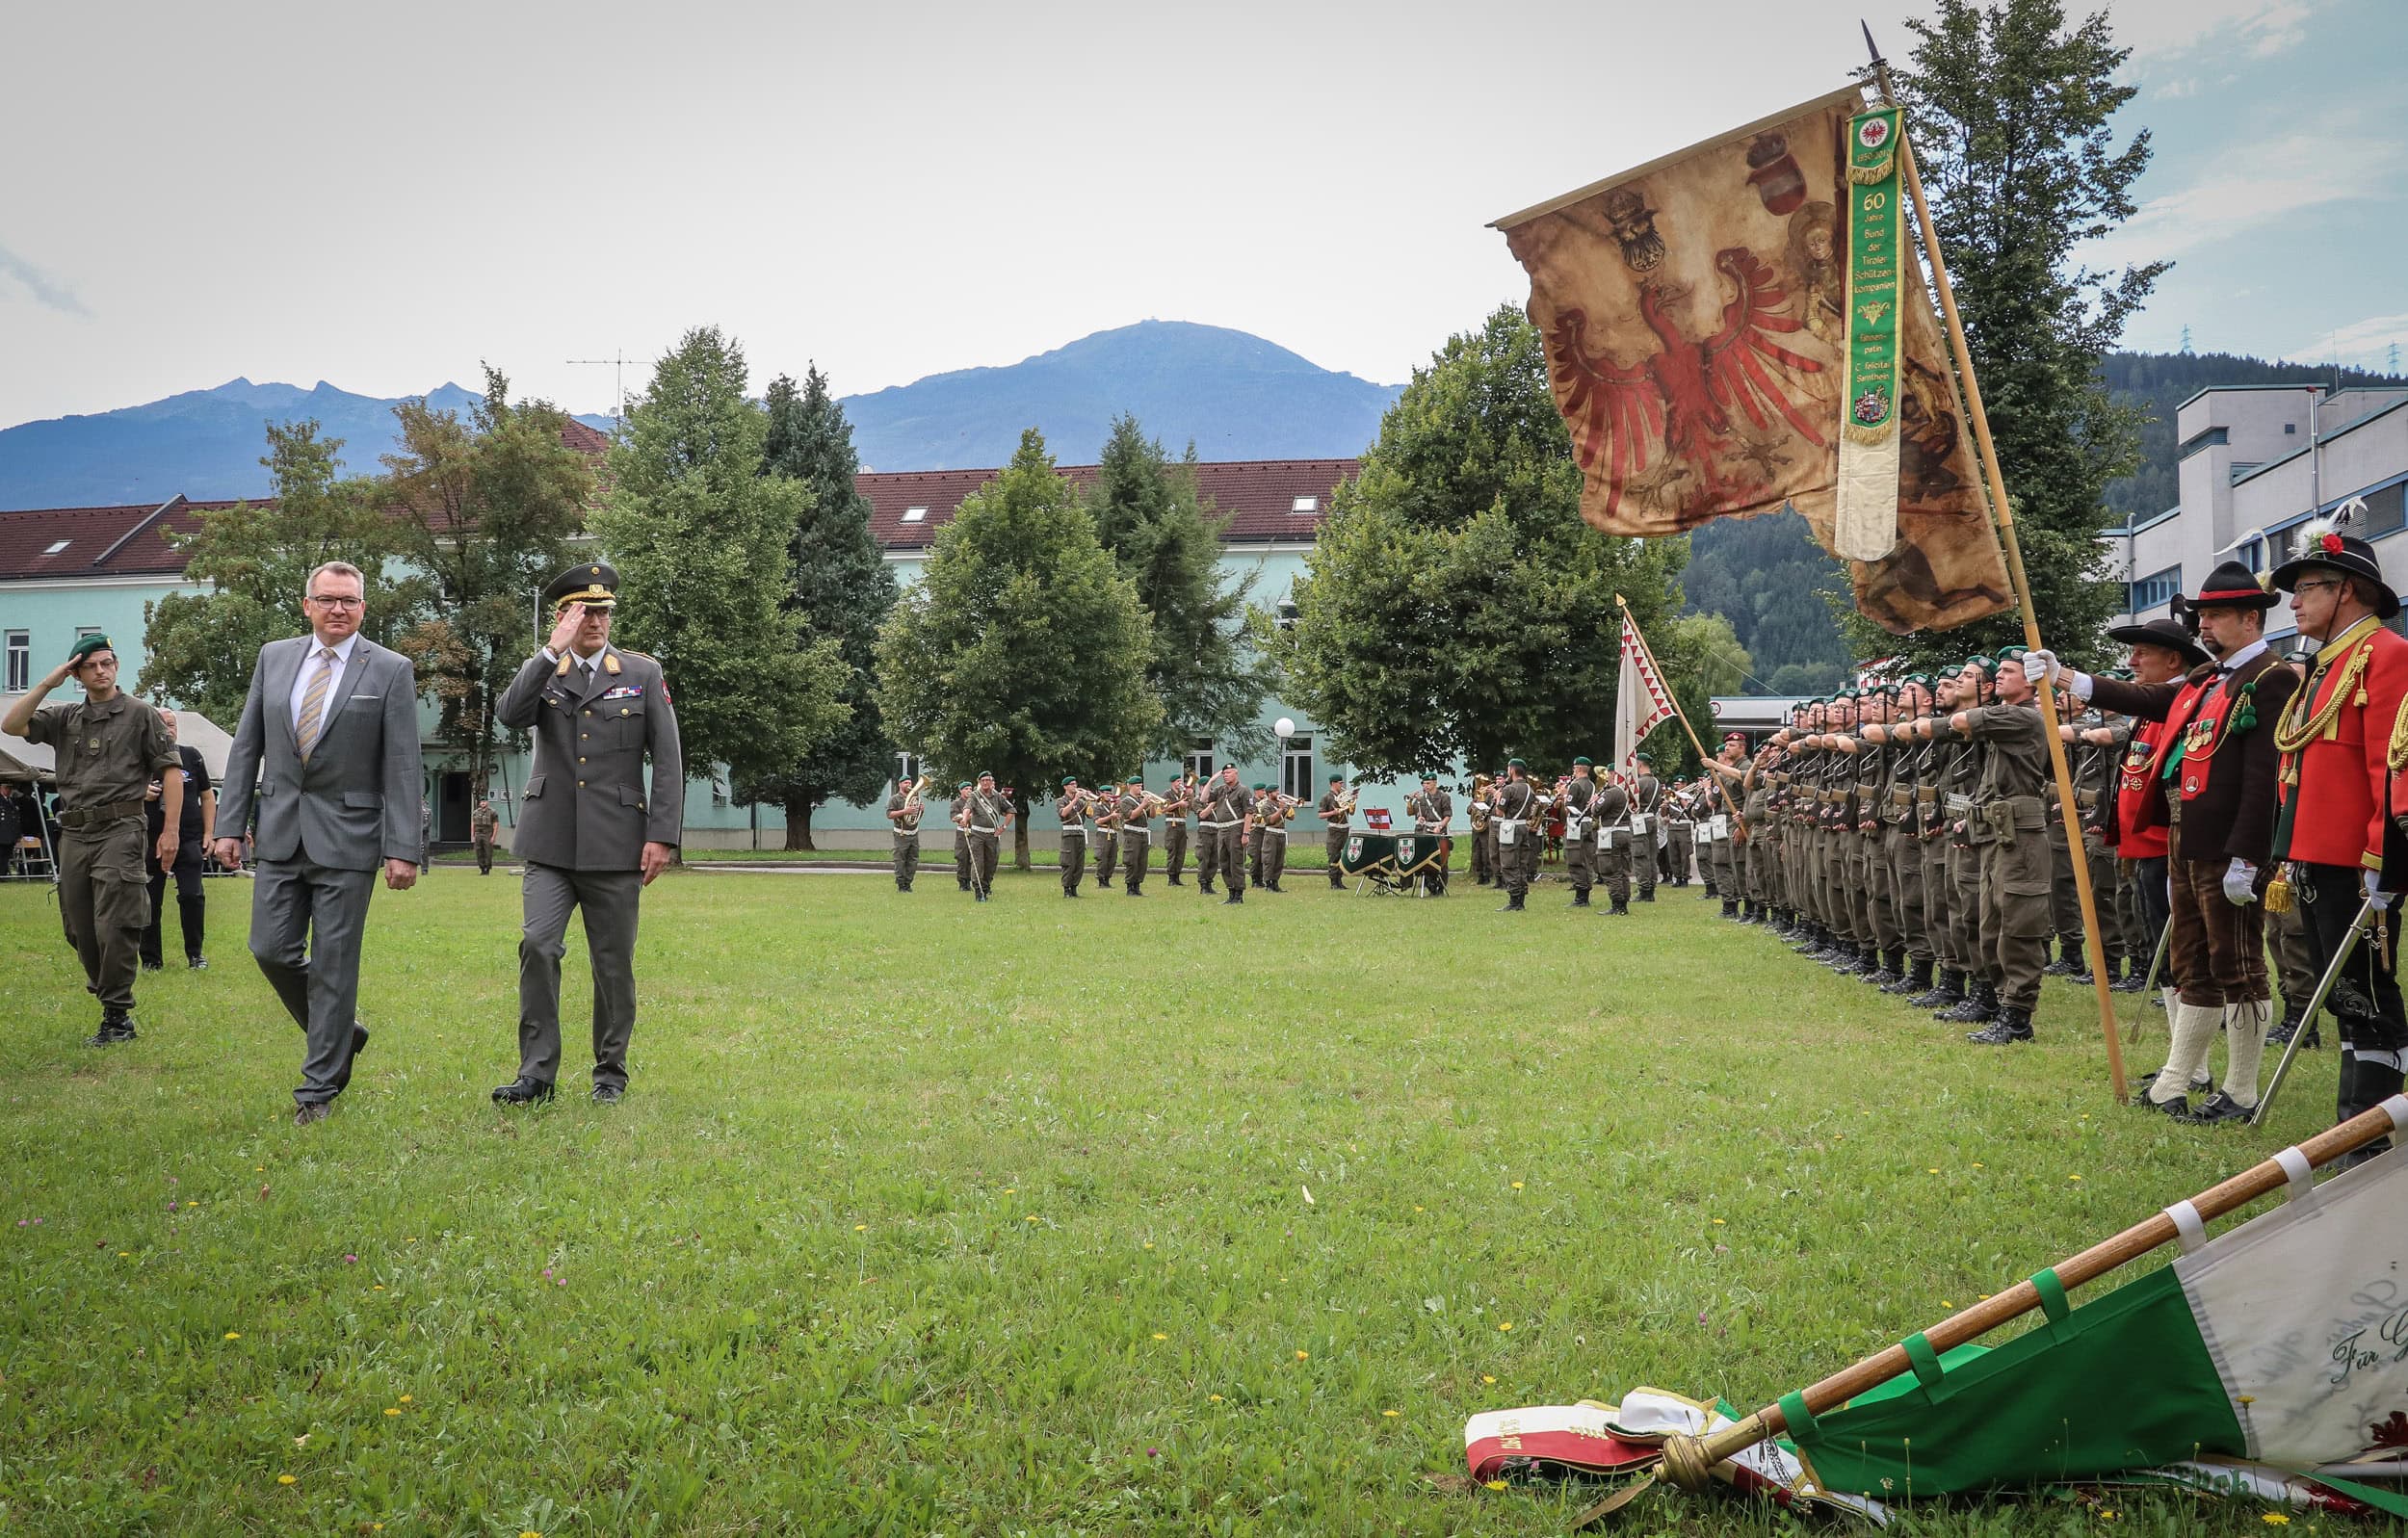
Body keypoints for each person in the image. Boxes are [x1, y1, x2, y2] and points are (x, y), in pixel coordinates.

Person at [2036, 560, 2298, 1120]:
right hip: (2186, 835)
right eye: (2202, 616)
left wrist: (2249, 857)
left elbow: (2265, 778)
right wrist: (2065, 677)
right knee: (2191, 960)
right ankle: (2176, 1080)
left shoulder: (2270, 677)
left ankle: (2242, 1090)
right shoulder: (2209, 678)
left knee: (2238, 962)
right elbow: (2150, 699)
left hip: (2227, 844)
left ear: (2251, 619)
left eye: (2217, 616)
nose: (2204, 626)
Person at [213, 561, 424, 1123]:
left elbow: (403, 765)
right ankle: (342, 1032)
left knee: (335, 965)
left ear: (363, 608)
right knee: (270, 949)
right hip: (280, 831)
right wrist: (229, 825)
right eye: (328, 599)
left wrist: (403, 847)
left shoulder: (390, 669)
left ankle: (318, 1089)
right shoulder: (274, 658)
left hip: (351, 839)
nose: (338, 609)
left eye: (349, 601)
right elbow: (247, 747)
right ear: (307, 605)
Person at [487, 563, 684, 1108]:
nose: (594, 621)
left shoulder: (641, 672)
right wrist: (549, 652)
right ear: (563, 618)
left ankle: (610, 1074)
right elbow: (509, 715)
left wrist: (662, 835)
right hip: (549, 842)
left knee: (612, 964)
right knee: (538, 944)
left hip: (617, 842)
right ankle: (536, 1074)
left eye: (601, 612)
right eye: (582, 612)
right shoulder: (545, 671)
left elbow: (668, 760)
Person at [2268, 522, 2408, 1169]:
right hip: (2315, 855)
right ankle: (2353, 1124)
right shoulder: (2324, 664)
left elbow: (2392, 764)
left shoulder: (2386, 653)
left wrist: (2385, 859)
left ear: (2346, 589)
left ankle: (2371, 1132)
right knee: (2342, 993)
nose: (2294, 602)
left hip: (2358, 861)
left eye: (2307, 588)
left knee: (2368, 994)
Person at [3, 635, 182, 1046]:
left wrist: (170, 831)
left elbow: (171, 772)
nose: (100, 671)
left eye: (106, 663)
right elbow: (11, 725)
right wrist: (48, 682)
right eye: (90, 666)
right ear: (76, 675)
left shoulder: (140, 714)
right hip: (74, 832)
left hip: (121, 828)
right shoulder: (64, 717)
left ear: (116, 666)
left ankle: (117, 1016)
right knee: (79, 927)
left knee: (115, 924)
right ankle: (109, 995)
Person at [141, 707, 213, 972]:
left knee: (192, 895)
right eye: (161, 724)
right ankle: (151, 960)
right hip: (148, 839)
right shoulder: (138, 758)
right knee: (149, 899)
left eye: (171, 724)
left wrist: (209, 833)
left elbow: (207, 796)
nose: (167, 729)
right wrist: (140, 791)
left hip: (189, 838)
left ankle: (196, 955)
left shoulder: (191, 756)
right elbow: (117, 788)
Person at [1491, 760, 1537, 910]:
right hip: (1523, 826)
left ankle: (1514, 900)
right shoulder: (1529, 788)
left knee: (1509, 863)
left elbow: (1499, 812)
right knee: (1522, 863)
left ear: (1512, 770)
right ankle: (1521, 898)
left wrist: (1498, 798)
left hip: (1510, 828)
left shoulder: (1509, 789)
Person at [1200, 767, 1248, 903]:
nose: (1226, 775)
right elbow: (1204, 799)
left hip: (1236, 828)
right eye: (1224, 773)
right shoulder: (1220, 790)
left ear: (1236, 773)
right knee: (1225, 863)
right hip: (1222, 829)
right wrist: (1211, 781)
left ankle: (1238, 895)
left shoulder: (1243, 790)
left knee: (1236, 862)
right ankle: (1231, 892)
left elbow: (1249, 813)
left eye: (1229, 772)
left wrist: (1245, 833)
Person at [963, 772, 1010, 900]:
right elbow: (967, 808)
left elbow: (1011, 810)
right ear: (979, 782)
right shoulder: (975, 796)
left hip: (992, 835)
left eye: (987, 780)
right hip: (977, 835)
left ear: (991, 782)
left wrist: (1003, 827)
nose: (985, 783)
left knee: (991, 863)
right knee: (978, 863)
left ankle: (986, 886)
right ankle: (979, 892)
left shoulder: (997, 796)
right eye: (982, 780)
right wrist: (965, 819)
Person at [1405, 771, 1453, 898]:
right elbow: (1410, 812)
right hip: (1425, 831)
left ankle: (1441, 888)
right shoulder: (1421, 799)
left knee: (1441, 861)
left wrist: (1440, 826)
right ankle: (1430, 885)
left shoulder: (1444, 797)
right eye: (1424, 783)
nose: (1425, 785)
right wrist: (1410, 802)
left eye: (1428, 783)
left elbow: (1448, 815)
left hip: (1439, 830)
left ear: (1435, 783)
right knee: (1425, 859)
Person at [885, 776, 926, 893]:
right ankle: (901, 884)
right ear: (900, 784)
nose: (908, 785)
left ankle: (908, 883)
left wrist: (921, 810)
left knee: (913, 860)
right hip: (901, 834)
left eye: (910, 783)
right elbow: (889, 814)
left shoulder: (914, 798)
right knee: (900, 859)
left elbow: (916, 818)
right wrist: (905, 811)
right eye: (905, 783)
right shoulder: (895, 799)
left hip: (914, 833)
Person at [1056, 776, 1091, 897]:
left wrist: (1089, 799)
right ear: (1065, 787)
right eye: (1072, 784)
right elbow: (1063, 813)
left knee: (1079, 863)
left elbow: (1090, 814)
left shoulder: (1081, 802)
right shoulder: (1061, 801)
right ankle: (1066, 889)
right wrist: (1075, 799)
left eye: (1075, 784)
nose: (1075, 786)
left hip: (1080, 834)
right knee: (1069, 861)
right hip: (1069, 834)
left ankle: (1074, 887)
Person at [1316, 773, 1351, 891]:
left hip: (1345, 828)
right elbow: (1320, 815)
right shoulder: (1327, 797)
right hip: (1334, 829)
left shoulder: (1344, 796)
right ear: (1333, 783)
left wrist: (1352, 800)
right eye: (1340, 783)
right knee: (1334, 854)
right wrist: (1333, 813)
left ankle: (1339, 880)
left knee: (1342, 855)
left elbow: (1351, 812)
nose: (1342, 785)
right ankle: (1333, 881)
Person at [1118, 773, 1153, 895]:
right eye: (1137, 786)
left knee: (1142, 862)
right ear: (1130, 786)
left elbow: (1152, 815)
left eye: (1141, 786)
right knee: (1132, 860)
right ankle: (1130, 887)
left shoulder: (1140, 801)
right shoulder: (1126, 801)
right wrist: (1143, 804)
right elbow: (1131, 815)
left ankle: (1137, 886)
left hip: (1143, 834)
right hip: (1132, 834)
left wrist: (1152, 804)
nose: (1140, 788)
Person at [1162, 772, 1193, 886]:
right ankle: (1171, 877)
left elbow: (1189, 808)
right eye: (1178, 781)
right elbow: (1164, 808)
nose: (1180, 783)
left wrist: (1190, 796)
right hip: (1172, 824)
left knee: (1181, 851)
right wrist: (1179, 804)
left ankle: (1177, 876)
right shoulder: (1167, 794)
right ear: (1173, 783)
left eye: (1181, 781)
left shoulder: (1182, 794)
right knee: (1172, 850)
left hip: (1182, 824)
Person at [952, 782, 974, 891]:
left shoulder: (974, 802)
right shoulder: (956, 803)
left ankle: (969, 881)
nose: (969, 790)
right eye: (966, 789)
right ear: (961, 791)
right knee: (962, 857)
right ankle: (962, 882)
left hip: (975, 832)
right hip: (963, 833)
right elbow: (955, 818)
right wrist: (969, 816)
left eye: (970, 788)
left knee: (972, 858)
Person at [470, 796, 501, 875]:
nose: (483, 803)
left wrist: (493, 837)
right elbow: (473, 824)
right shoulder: (476, 812)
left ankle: (487, 868)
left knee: (488, 852)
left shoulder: (492, 812)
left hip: (487, 834)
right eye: (482, 802)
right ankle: (482, 868)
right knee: (479, 852)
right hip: (478, 834)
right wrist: (473, 835)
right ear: (480, 803)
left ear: (487, 802)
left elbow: (496, 825)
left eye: (484, 801)